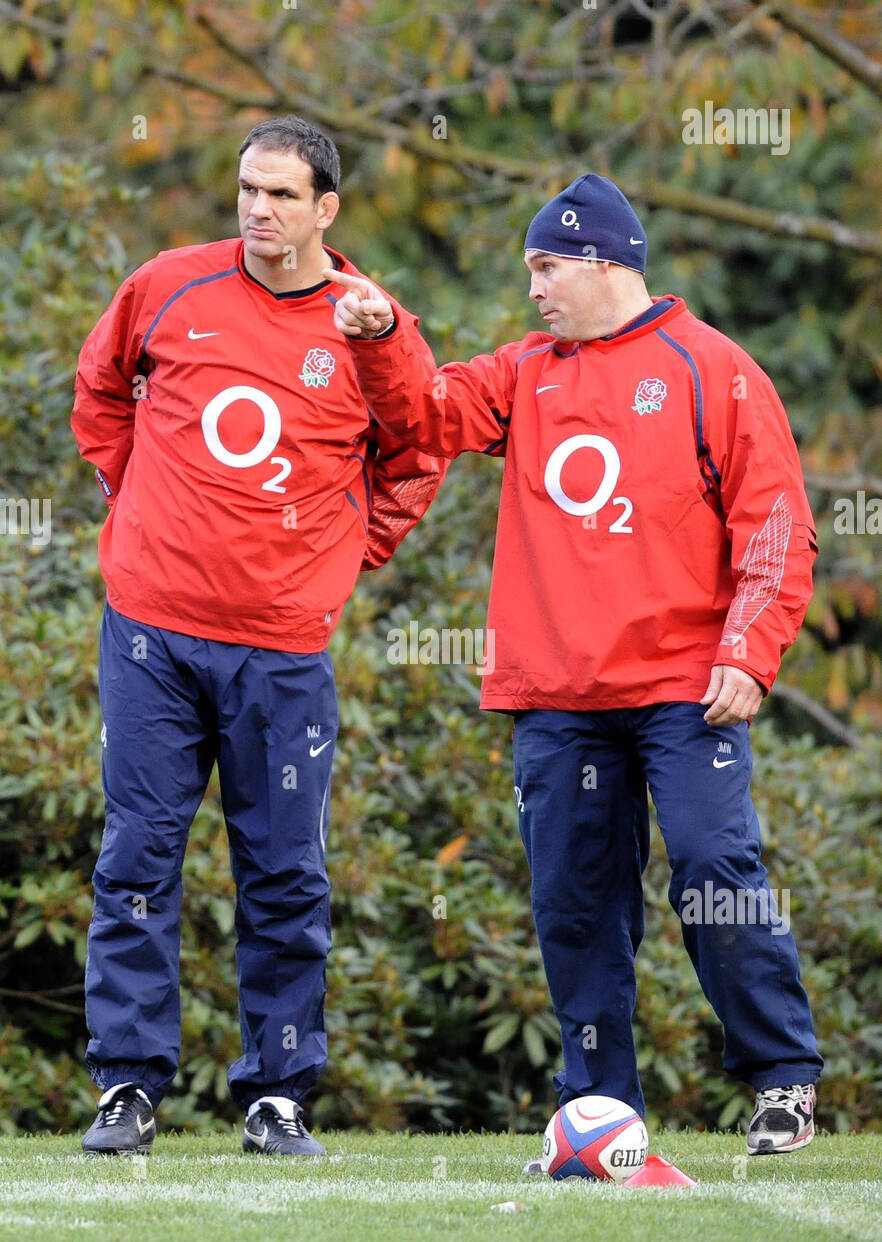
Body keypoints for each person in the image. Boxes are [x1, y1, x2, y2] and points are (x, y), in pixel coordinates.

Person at [326, 173, 823, 1156]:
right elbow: (425, 417)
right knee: (575, 907)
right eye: (529, 270)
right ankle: (603, 1112)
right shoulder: (525, 370)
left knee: (714, 868)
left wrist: (749, 653)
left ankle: (782, 1080)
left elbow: (777, 530)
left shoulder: (711, 368)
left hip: (688, 690)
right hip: (556, 697)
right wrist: (384, 335)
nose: (535, 289)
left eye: (547, 267)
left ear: (606, 262)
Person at [71, 115, 447, 1158]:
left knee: (284, 872)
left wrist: (346, 557)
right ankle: (128, 1089)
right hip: (152, 630)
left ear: (327, 209)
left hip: (281, 646)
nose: (257, 209)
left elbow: (420, 447)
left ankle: (275, 1094)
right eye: (247, 188)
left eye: (282, 194)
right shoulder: (168, 285)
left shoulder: (371, 322)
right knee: (138, 856)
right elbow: (101, 392)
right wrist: (132, 496)